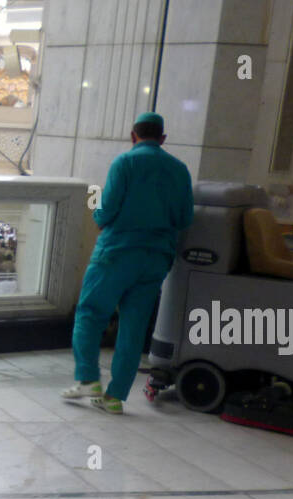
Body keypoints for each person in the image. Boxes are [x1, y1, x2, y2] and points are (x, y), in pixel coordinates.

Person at [62, 112, 193, 413]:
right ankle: (115, 397)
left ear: (133, 136)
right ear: (163, 139)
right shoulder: (179, 170)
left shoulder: (125, 162)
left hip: (117, 252)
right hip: (156, 258)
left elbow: (106, 209)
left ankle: (87, 379)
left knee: (90, 313)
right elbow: (185, 218)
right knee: (133, 327)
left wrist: (98, 219)